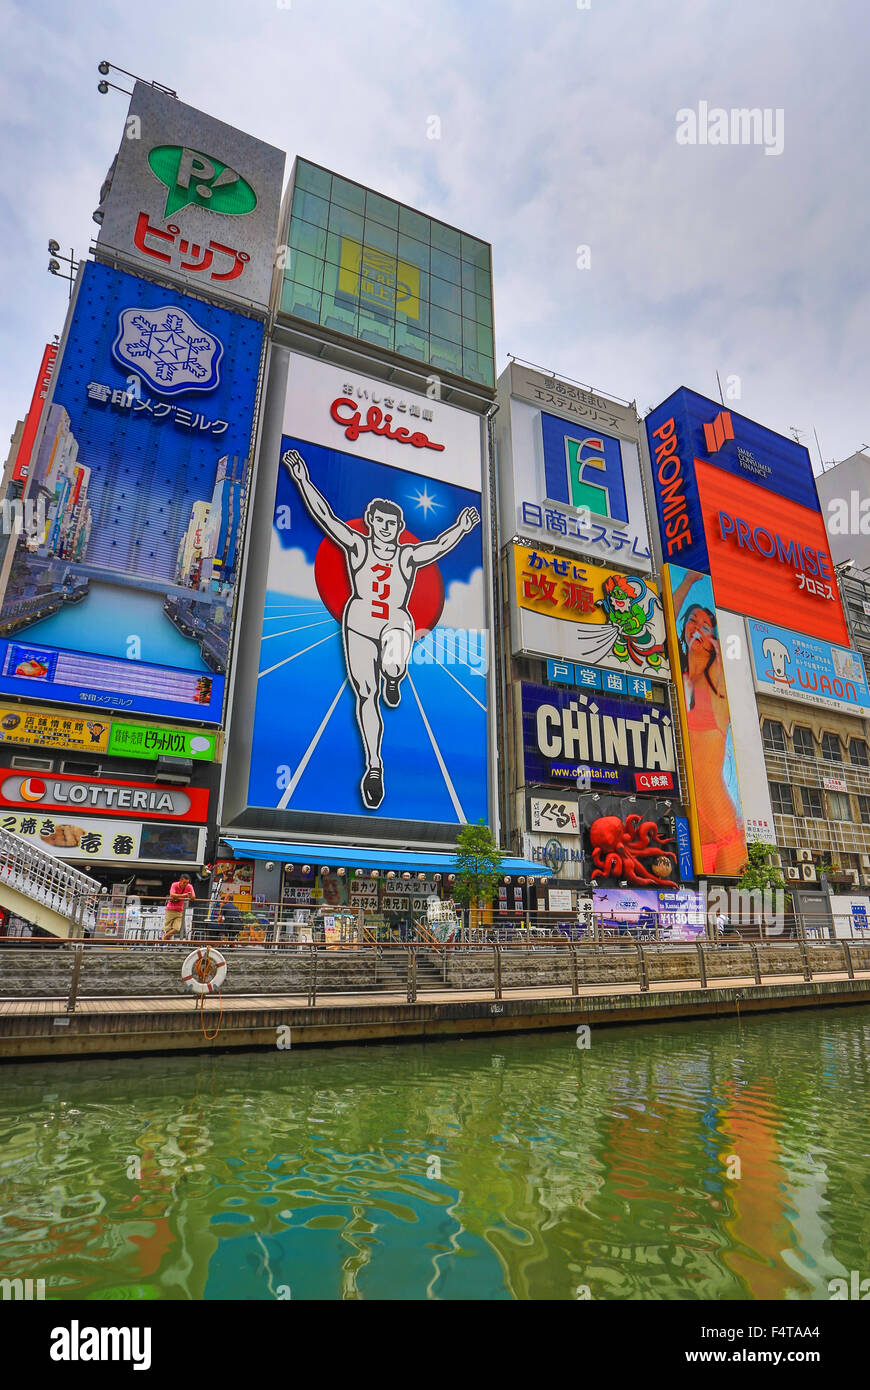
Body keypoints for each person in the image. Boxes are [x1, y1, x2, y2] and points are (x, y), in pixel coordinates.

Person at [282, 448, 479, 809]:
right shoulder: (357, 547)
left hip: (395, 622)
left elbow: (437, 547)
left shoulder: (406, 556)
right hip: (358, 623)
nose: (386, 528)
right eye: (380, 521)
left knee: (394, 653)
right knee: (365, 694)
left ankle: (394, 675)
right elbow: (325, 516)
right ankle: (374, 766)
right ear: (371, 522)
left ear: (399, 528)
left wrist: (462, 529)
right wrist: (302, 478)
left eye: (392, 524)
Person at [672, 571, 746, 875]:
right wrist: (687, 582)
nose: (698, 628)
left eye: (706, 626)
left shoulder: (719, 687)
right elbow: (665, 617)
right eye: (692, 621)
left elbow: (734, 650)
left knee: (743, 903)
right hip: (688, 836)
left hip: (726, 834)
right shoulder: (675, 679)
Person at [163, 874, 195, 942]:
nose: (186, 884)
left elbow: (193, 897)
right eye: (184, 882)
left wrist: (190, 896)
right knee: (168, 929)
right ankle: (167, 945)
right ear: (180, 880)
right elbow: (172, 894)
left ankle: (164, 938)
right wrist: (183, 895)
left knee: (176, 928)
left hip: (179, 910)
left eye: (187, 883)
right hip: (170, 909)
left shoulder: (189, 886)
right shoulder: (174, 884)